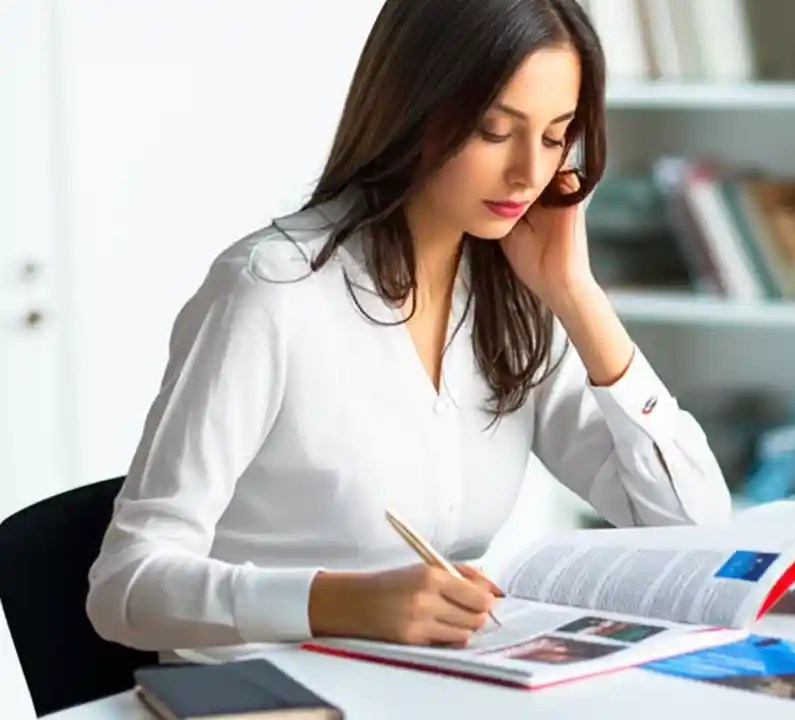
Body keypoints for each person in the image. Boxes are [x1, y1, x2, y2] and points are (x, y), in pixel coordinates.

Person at [85, 0, 731, 664]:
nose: (528, 174)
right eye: (494, 131)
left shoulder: (515, 295)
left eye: (553, 137)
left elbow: (694, 532)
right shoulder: (272, 291)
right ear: (413, 109)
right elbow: (125, 586)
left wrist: (576, 295)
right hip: (261, 692)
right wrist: (341, 602)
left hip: (428, 683)